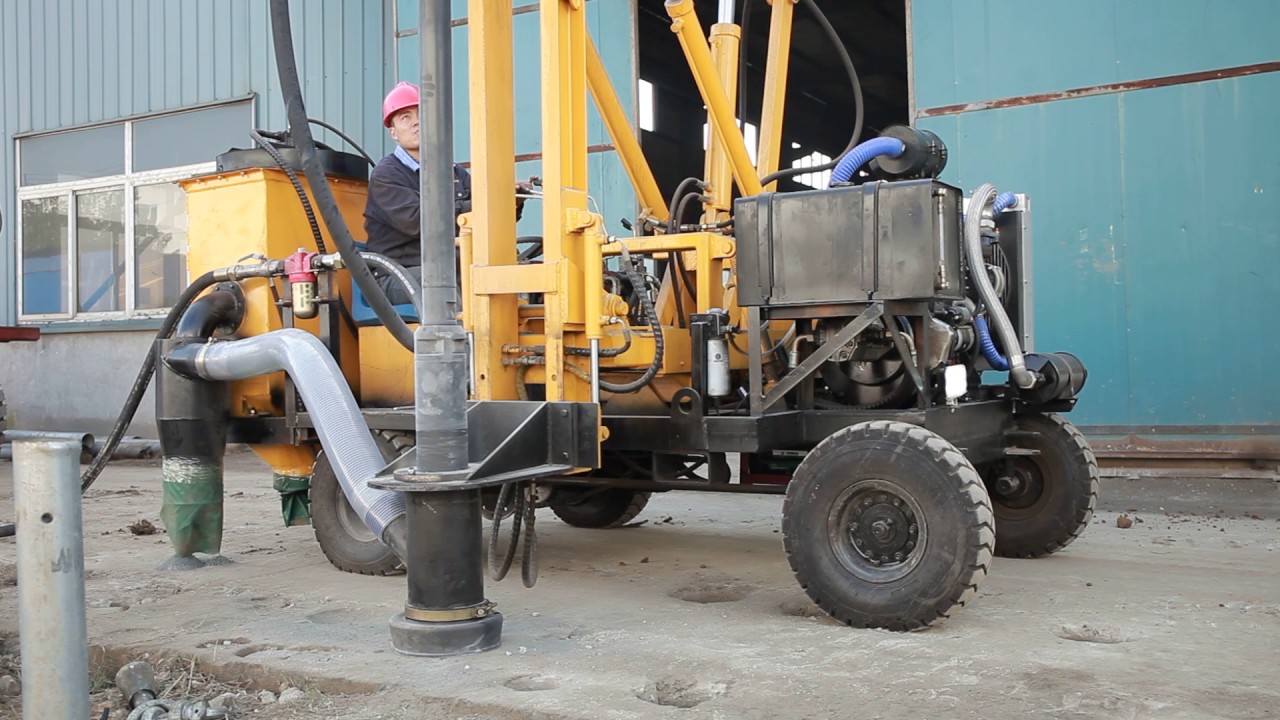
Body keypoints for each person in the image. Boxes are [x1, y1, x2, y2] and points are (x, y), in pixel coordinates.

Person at [364, 81, 530, 305]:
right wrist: (486, 203)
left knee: (514, 277)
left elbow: (488, 217)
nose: (417, 121)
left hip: (451, 269)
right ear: (393, 132)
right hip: (398, 274)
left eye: (422, 113)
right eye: (405, 117)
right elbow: (422, 222)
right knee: (443, 285)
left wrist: (510, 199)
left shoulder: (453, 171)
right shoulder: (386, 175)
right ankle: (468, 341)